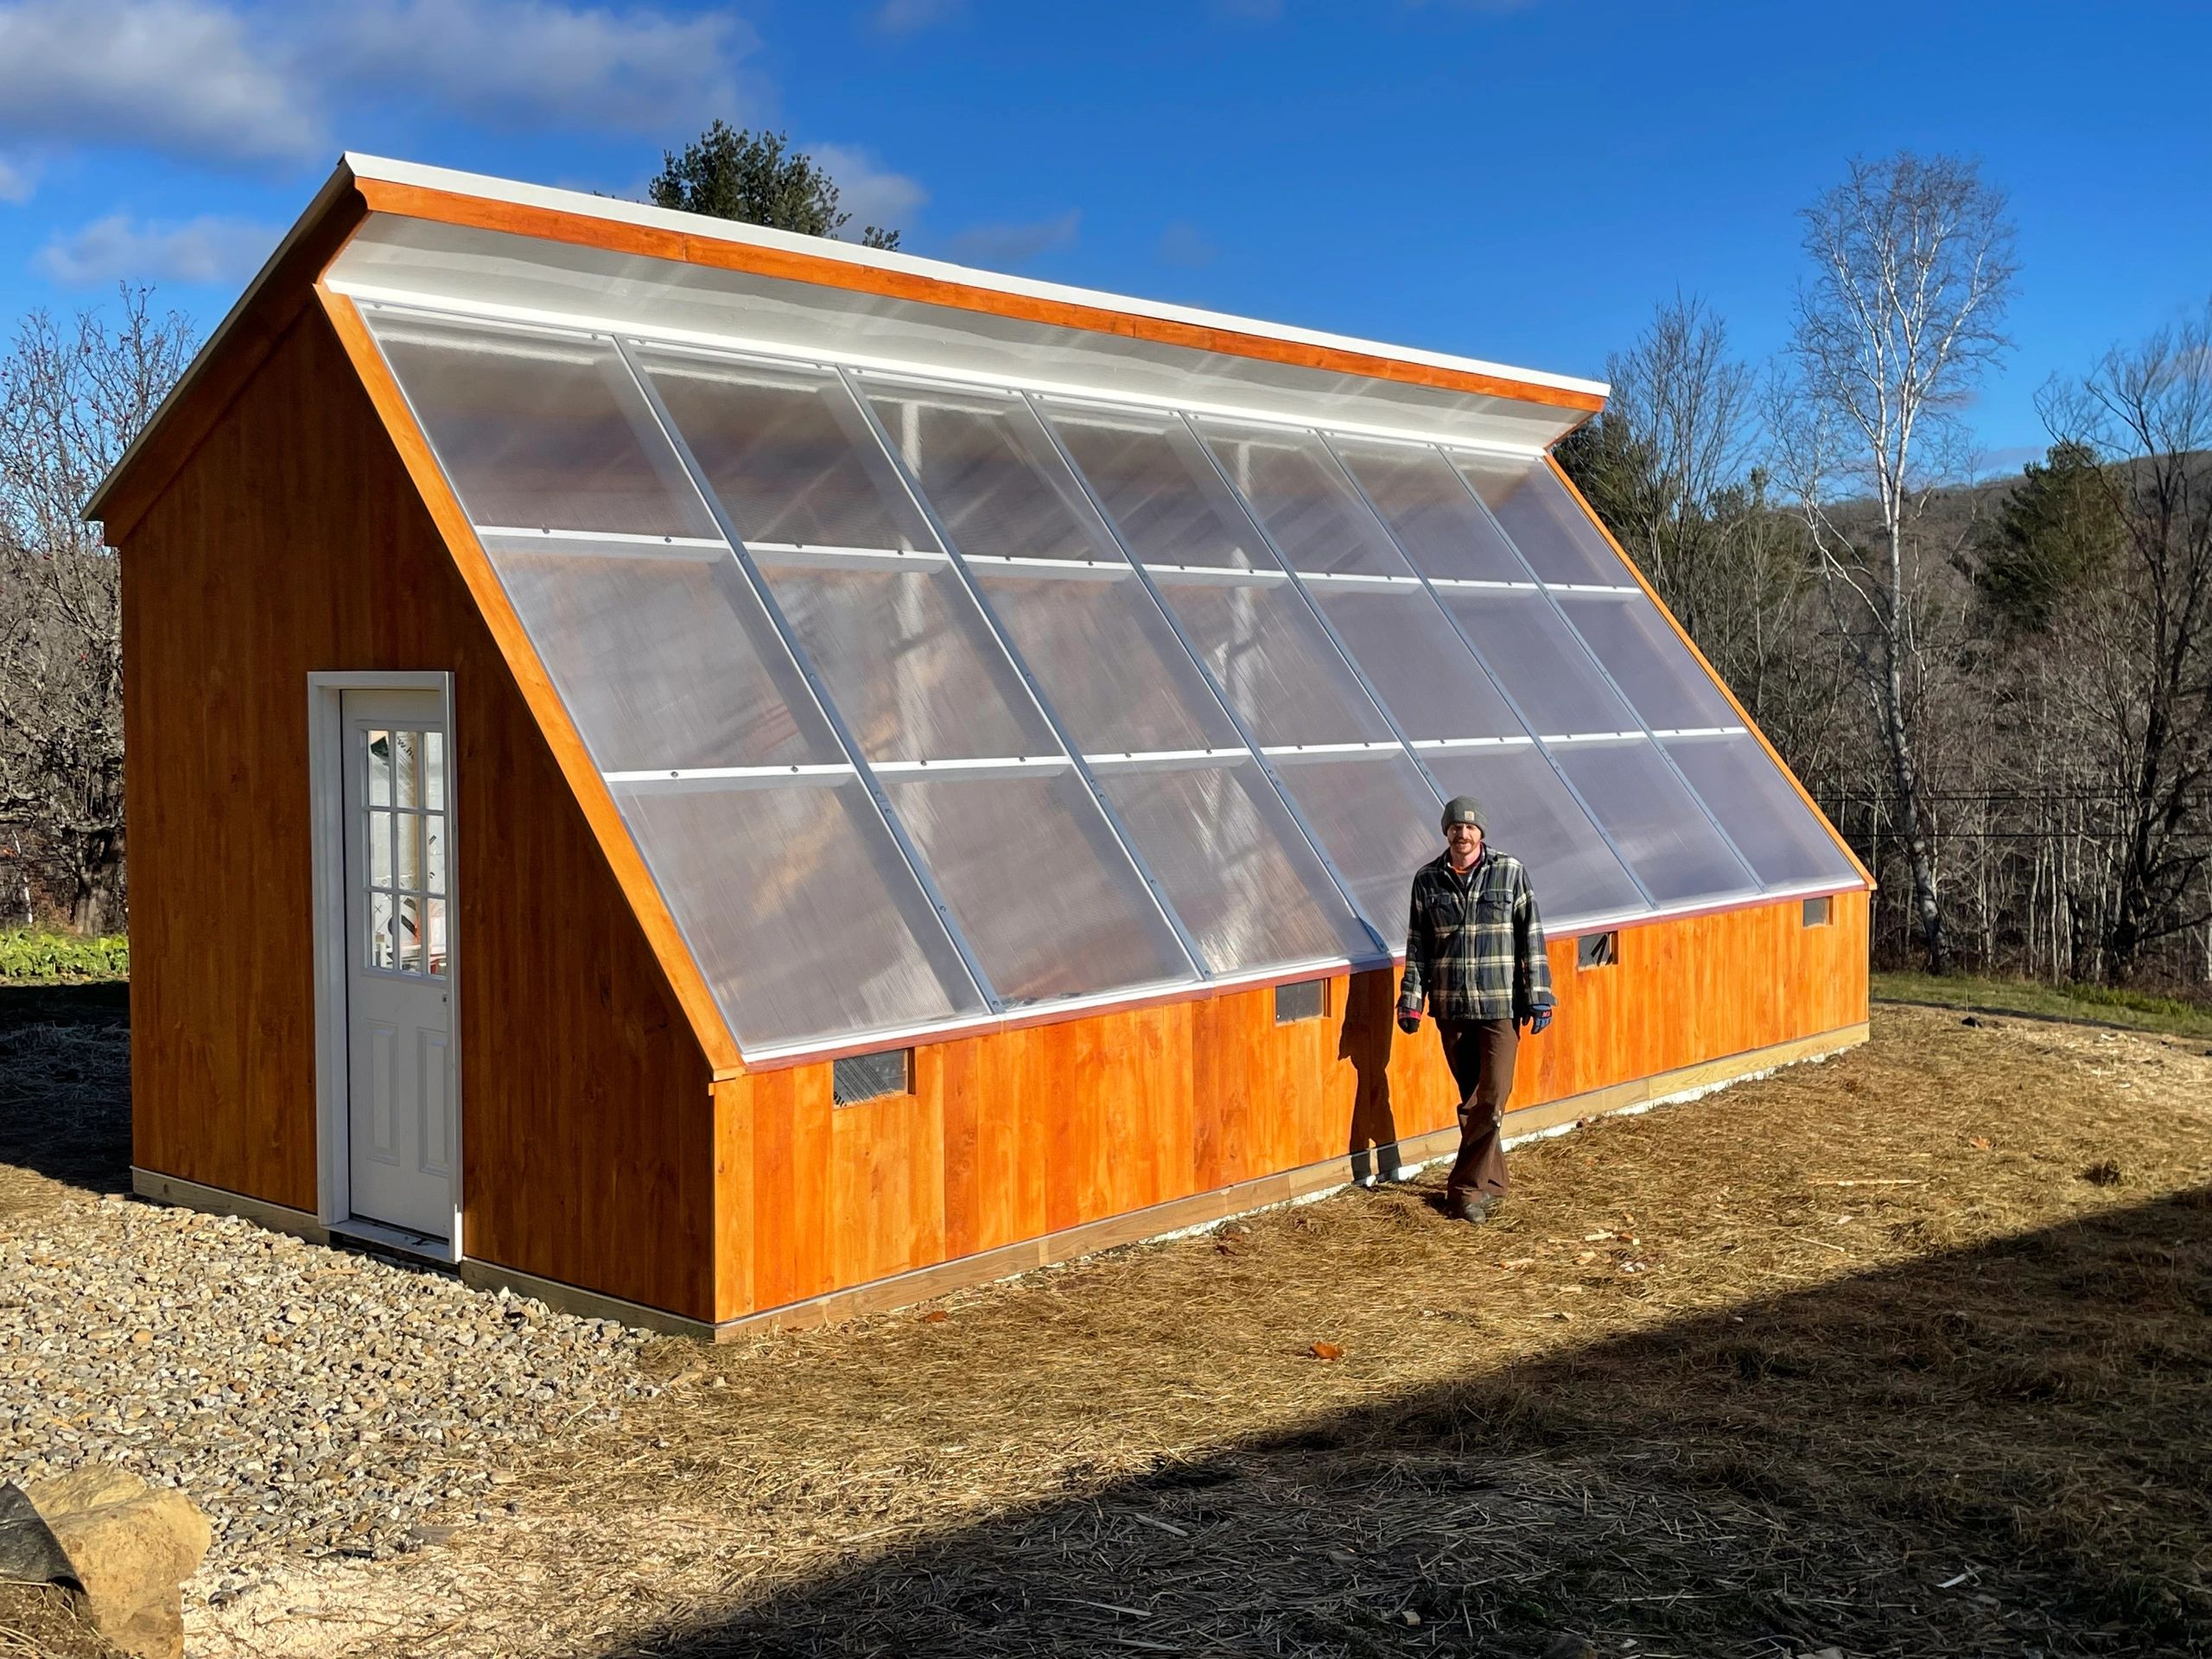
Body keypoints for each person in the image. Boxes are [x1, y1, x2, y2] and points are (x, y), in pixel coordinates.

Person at [1395, 795, 1554, 1224]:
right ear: (1446, 832)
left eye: (1469, 827)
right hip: (1452, 1006)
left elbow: (1531, 936)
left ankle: (1463, 1189)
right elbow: (1417, 948)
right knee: (1472, 1098)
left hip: (1500, 1005)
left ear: (1481, 832)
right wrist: (1411, 1001)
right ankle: (1493, 1184)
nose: (1462, 834)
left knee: (1493, 1095)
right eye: (1454, 828)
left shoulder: (1509, 872)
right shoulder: (1427, 881)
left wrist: (1539, 994)